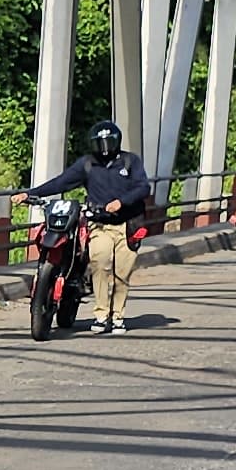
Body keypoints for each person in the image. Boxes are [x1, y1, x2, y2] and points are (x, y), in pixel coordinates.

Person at [33, 119, 163, 334]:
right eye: (99, 143)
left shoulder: (130, 161)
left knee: (122, 273)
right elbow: (61, 182)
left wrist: (122, 202)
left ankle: (118, 315)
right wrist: (31, 193)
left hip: (127, 225)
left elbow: (143, 188)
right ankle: (101, 314)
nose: (104, 148)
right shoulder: (87, 164)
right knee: (99, 264)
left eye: (108, 142)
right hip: (99, 224)